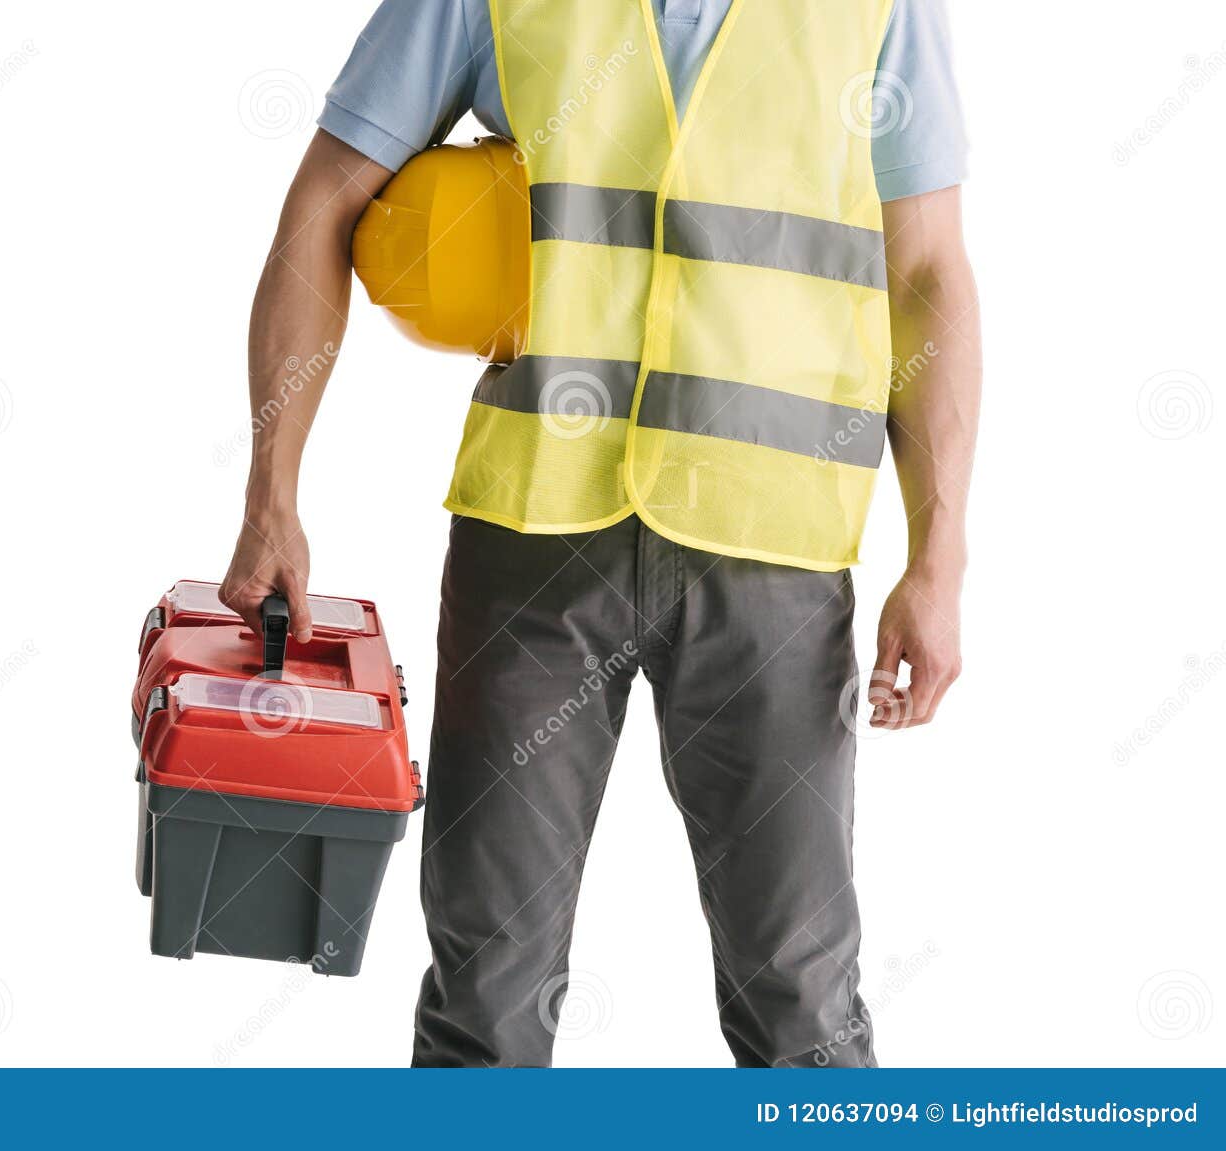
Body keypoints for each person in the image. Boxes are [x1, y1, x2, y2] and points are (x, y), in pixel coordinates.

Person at [221, 0, 979, 1067]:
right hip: (533, 541)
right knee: (486, 1001)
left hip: (774, 546)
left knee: (803, 1010)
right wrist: (271, 497)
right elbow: (323, 204)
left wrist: (937, 558)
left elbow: (927, 270)